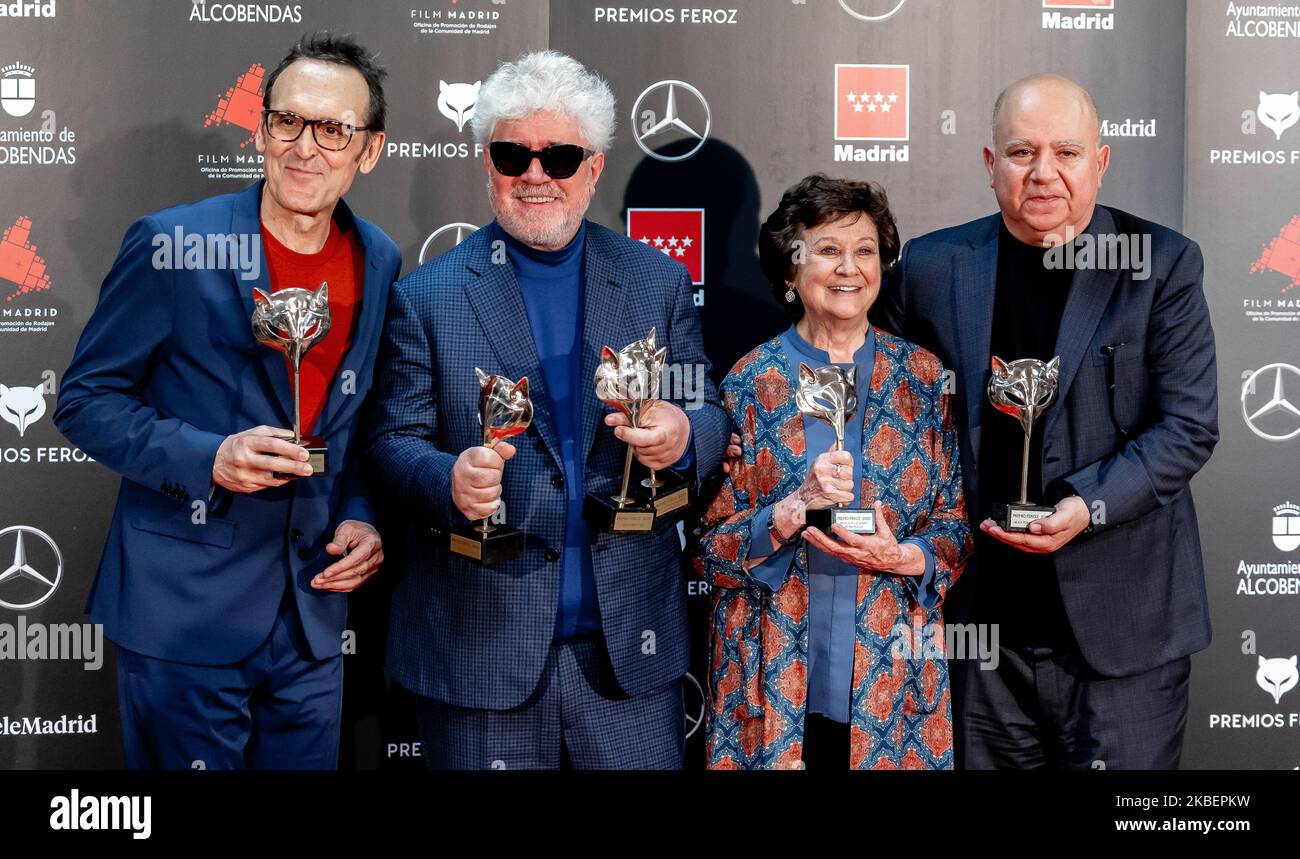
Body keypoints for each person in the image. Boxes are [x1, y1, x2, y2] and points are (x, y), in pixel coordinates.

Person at [364, 50, 728, 770]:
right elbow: (391, 443)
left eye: (558, 156)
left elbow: (705, 406)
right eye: (512, 154)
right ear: (487, 164)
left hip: (628, 659)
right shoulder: (426, 296)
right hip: (479, 659)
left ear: (592, 169)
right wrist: (449, 478)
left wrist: (684, 434)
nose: (535, 175)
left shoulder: (656, 279)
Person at [53, 32, 400, 769]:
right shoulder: (172, 243)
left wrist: (365, 516)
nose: (306, 147)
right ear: (262, 127)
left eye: (334, 128)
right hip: (183, 611)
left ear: (368, 149)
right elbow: (85, 399)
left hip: (311, 617)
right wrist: (209, 456)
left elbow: (360, 422)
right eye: (287, 121)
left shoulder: (381, 256)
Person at [871, 73, 1217, 769]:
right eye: (1023, 153)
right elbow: (878, 399)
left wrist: (1086, 505)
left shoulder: (1161, 263)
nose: (1045, 173)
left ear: (1101, 161)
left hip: (1125, 638)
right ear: (990, 163)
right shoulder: (933, 266)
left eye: (1066, 152)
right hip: (980, 632)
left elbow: (1188, 427)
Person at [696, 174, 971, 769]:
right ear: (791, 273)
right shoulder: (751, 383)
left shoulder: (923, 379)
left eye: (865, 250)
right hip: (771, 686)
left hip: (893, 684)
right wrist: (790, 509)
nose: (849, 267)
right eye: (827, 249)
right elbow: (709, 548)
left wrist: (907, 557)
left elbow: (954, 523)